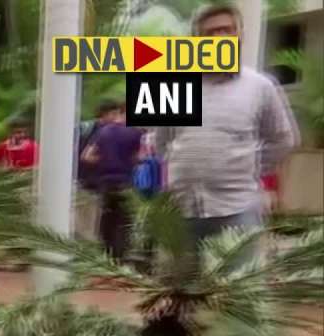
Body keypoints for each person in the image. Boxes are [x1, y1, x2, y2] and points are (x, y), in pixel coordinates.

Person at [154, 3, 299, 270]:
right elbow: (161, 142)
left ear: (240, 36)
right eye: (211, 32)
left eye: (227, 30)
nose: (220, 37)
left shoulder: (261, 87)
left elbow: (283, 139)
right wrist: (184, 169)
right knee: (175, 299)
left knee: (238, 302)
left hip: (238, 211)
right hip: (181, 212)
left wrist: (250, 168)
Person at [80, 100, 144, 266]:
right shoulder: (135, 133)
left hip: (106, 183)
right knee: (124, 220)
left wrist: (104, 161)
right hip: (126, 183)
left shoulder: (103, 132)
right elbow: (140, 158)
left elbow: (87, 156)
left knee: (107, 219)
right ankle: (120, 259)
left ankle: (106, 256)